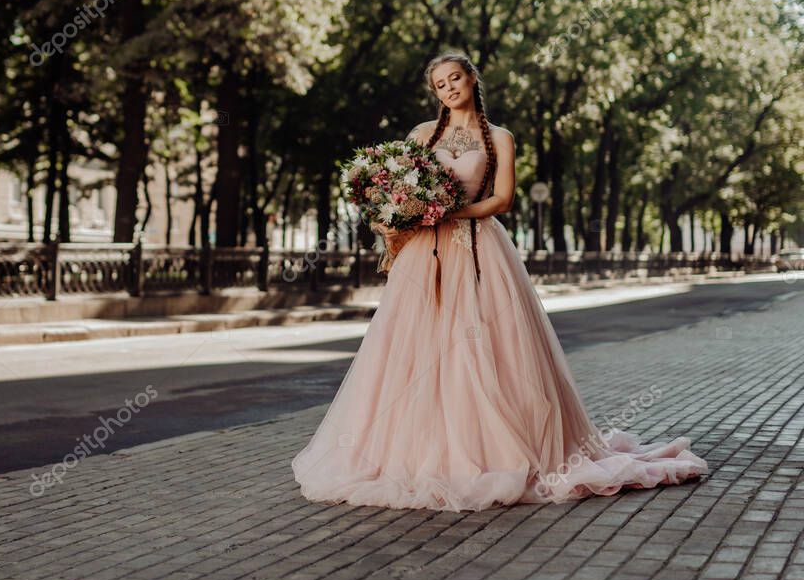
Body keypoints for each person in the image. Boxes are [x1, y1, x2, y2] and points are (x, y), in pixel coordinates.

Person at [290, 51, 708, 512]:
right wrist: (399, 214)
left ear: (471, 79)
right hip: (425, 253)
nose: (449, 88)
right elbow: (395, 190)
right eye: (440, 85)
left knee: (488, 344)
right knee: (415, 346)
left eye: (455, 78)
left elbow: (502, 199)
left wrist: (447, 212)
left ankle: (495, 449)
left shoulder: (500, 137)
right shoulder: (422, 135)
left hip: (477, 246)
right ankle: (412, 452)